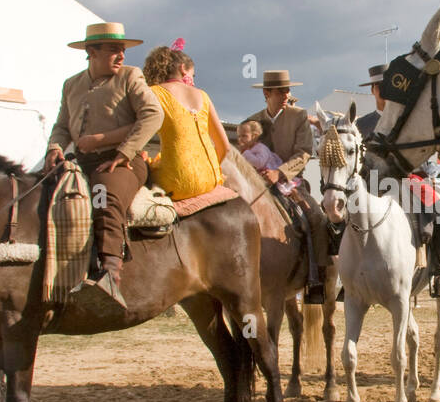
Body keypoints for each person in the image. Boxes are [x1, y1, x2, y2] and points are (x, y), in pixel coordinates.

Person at [46, 22, 164, 307]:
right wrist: (55, 147)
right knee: (40, 195)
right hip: (81, 162)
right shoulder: (71, 84)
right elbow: (62, 126)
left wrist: (119, 150)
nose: (121, 56)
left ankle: (110, 276)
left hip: (123, 160)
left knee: (104, 198)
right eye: (113, 50)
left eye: (122, 50)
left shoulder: (130, 77)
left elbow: (152, 115)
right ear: (91, 52)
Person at [242, 70, 331, 303]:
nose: (286, 94)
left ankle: (317, 279)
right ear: (266, 93)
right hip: (257, 184)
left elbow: (304, 152)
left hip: (292, 183)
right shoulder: (252, 121)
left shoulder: (299, 116)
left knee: (317, 219)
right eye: (281, 90)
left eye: (287, 90)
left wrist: (279, 173)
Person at [141, 42, 228, 209]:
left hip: (176, 183)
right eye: (193, 75)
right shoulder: (203, 95)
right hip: (210, 179)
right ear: (183, 68)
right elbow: (225, 147)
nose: (193, 81)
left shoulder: (153, 92)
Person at [236, 120, 304, 203]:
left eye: (244, 136)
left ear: (254, 136)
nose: (240, 139)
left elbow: (259, 163)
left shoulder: (261, 148)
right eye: (239, 136)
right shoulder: (249, 150)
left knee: (280, 196)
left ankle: (299, 205)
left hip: (271, 178)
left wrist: (245, 152)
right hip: (258, 179)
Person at [355, 65, 385, 139]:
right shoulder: (360, 125)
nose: (384, 89)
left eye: (388, 84)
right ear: (372, 90)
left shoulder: (406, 121)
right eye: (378, 84)